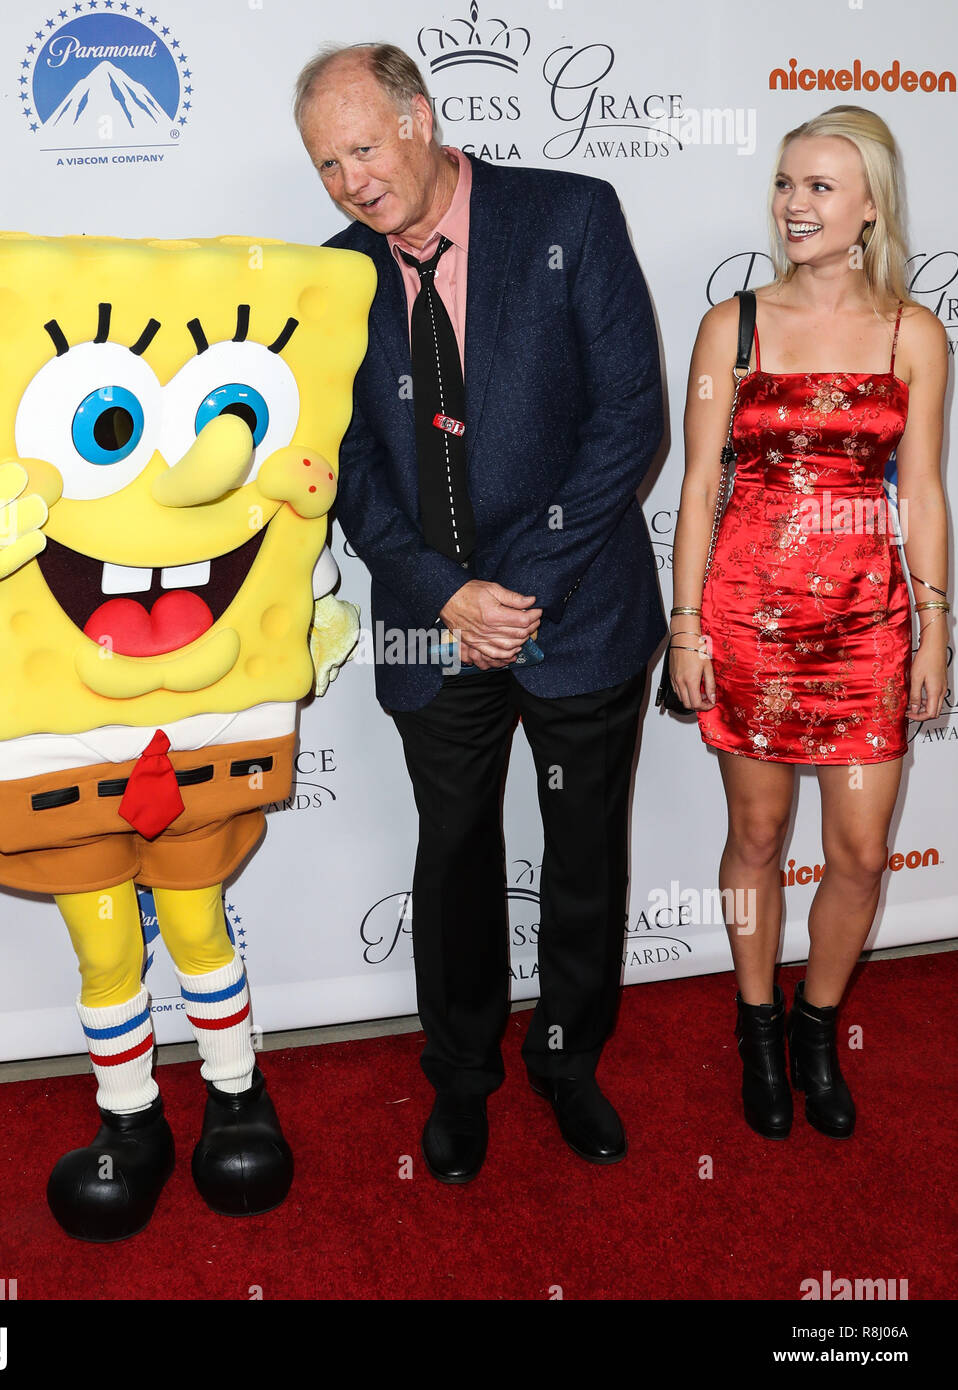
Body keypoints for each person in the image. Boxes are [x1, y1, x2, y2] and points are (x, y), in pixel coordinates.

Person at [293, 43, 666, 1182]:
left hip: (580, 604)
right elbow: (346, 468)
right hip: (428, 621)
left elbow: (631, 419)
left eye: (363, 146)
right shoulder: (334, 280)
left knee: (582, 852)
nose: (352, 180)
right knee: (452, 856)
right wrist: (445, 593)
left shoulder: (571, 216)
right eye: (325, 164)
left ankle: (566, 1058)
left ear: (421, 117)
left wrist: (519, 583)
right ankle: (461, 1079)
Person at [669, 105, 948, 1140]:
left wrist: (935, 627)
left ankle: (816, 1026)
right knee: (754, 833)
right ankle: (754, 1023)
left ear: (870, 206)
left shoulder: (910, 333)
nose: (794, 203)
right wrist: (686, 625)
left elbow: (920, 489)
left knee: (863, 854)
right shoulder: (729, 324)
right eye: (786, 183)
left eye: (821, 187)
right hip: (746, 617)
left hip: (865, 623)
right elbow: (699, 485)